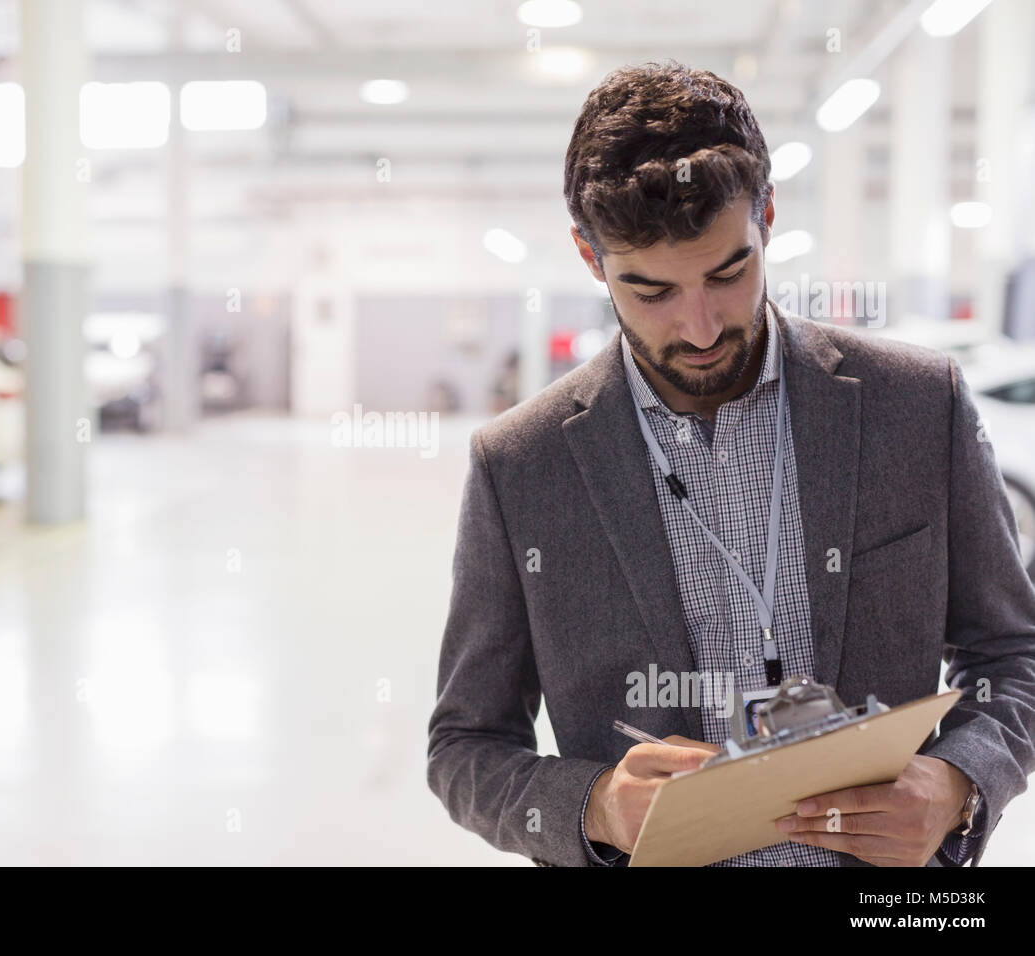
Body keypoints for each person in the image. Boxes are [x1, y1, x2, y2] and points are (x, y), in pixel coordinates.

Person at [426, 60, 1035, 867]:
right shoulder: (521, 466)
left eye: (728, 272)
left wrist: (960, 781)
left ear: (767, 217)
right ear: (589, 256)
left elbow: (1014, 654)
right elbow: (464, 747)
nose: (702, 327)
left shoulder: (919, 406)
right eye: (652, 292)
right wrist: (597, 806)